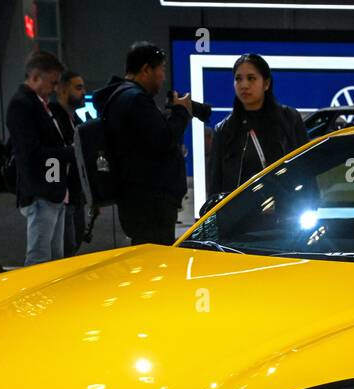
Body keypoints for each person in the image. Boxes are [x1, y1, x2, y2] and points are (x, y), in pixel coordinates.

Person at [94, 42, 197, 246]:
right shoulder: (135, 101)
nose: (163, 77)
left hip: (137, 201)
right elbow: (164, 140)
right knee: (154, 262)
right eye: (162, 69)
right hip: (150, 205)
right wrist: (181, 112)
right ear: (146, 69)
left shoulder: (119, 98)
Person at [7, 49, 74, 265]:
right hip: (40, 193)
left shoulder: (39, 104)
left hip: (53, 192)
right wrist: (69, 153)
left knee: (54, 261)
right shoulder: (22, 104)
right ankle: (35, 300)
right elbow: (31, 153)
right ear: (35, 77)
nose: (55, 89)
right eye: (52, 83)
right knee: (39, 260)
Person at [207, 53, 307, 197]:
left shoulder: (290, 119)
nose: (244, 85)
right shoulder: (224, 129)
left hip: (286, 211)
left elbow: (305, 166)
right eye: (238, 79)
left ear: (266, 83)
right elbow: (215, 185)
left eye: (251, 78)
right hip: (242, 214)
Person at [56, 70, 92, 256]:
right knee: (64, 249)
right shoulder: (55, 119)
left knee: (73, 244)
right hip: (62, 195)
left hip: (76, 196)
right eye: (78, 88)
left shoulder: (76, 120)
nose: (83, 92)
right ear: (62, 90)